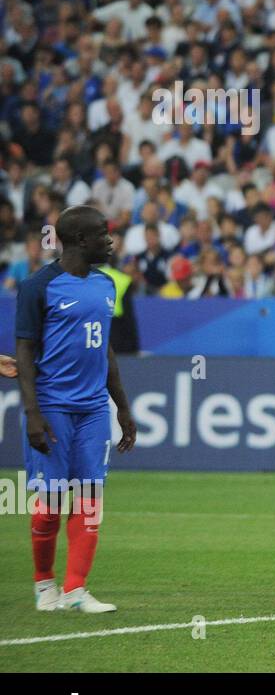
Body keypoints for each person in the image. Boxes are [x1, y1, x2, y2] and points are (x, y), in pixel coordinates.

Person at [17, 205, 137, 613]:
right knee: (50, 504)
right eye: (103, 234)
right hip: (51, 407)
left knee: (89, 499)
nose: (109, 240)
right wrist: (32, 412)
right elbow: (25, 348)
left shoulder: (106, 286)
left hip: (92, 410)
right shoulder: (39, 286)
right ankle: (43, 585)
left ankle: (75, 590)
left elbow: (106, 350)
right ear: (81, 240)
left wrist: (122, 408)